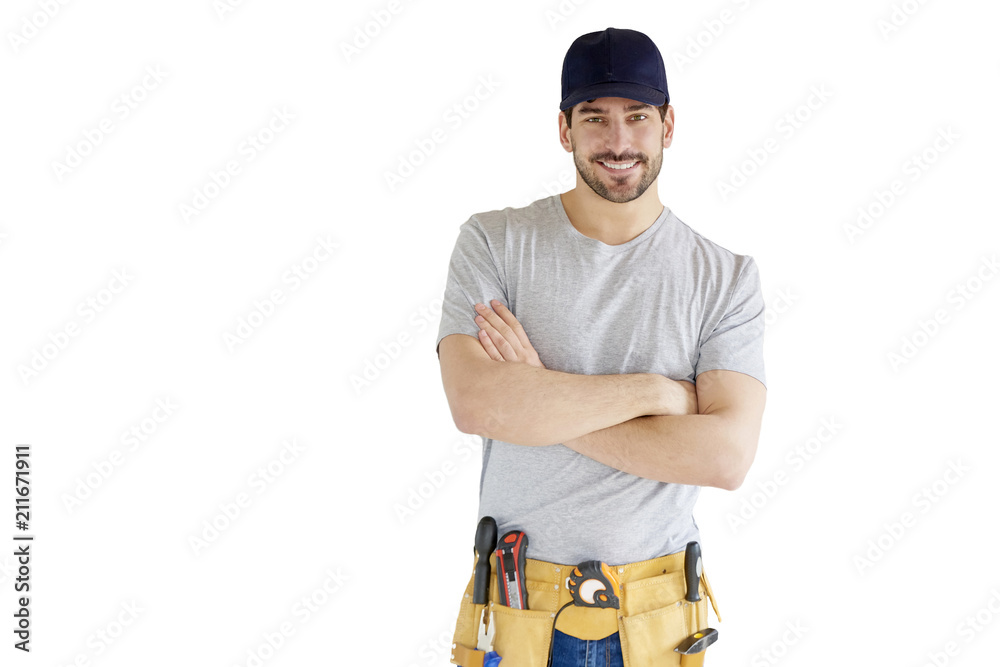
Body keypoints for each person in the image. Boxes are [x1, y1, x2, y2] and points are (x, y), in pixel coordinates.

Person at [437, 26, 766, 667]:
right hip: (516, 610)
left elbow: (726, 457)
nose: (619, 142)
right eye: (595, 118)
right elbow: (477, 403)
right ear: (565, 130)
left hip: (660, 618)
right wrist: (656, 393)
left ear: (668, 124)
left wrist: (537, 399)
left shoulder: (726, 279)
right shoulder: (493, 244)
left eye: (637, 117)